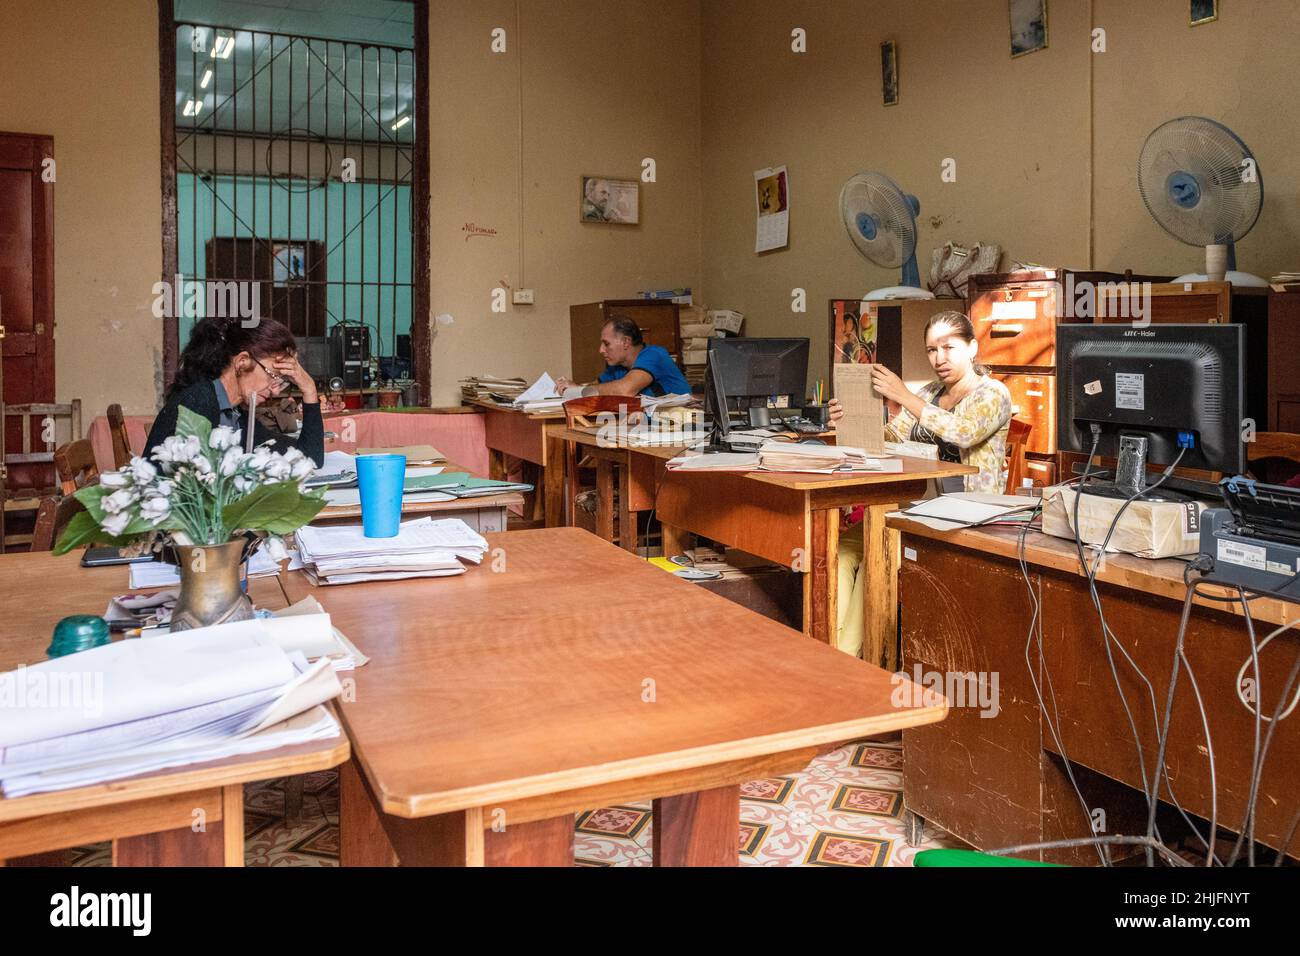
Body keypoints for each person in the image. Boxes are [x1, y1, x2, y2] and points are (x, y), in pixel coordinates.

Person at [828, 310, 1012, 657]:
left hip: (966, 517)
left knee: (875, 554)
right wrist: (849, 420)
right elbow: (887, 440)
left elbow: (963, 432)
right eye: (931, 350)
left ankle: (849, 659)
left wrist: (903, 394)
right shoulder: (928, 391)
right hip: (917, 509)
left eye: (949, 348)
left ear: (972, 348)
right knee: (841, 550)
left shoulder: (993, 393)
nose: (939, 359)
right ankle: (830, 650)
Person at [145, 316, 325, 467]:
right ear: (242, 362)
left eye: (282, 381)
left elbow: (309, 459)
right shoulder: (197, 403)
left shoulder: (237, 416)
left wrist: (309, 390)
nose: (276, 390)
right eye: (274, 375)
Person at [555, 316, 690, 398]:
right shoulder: (618, 367)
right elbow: (596, 386)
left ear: (626, 342)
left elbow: (625, 390)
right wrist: (574, 387)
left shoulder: (654, 355)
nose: (601, 350)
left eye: (606, 344)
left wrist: (579, 390)